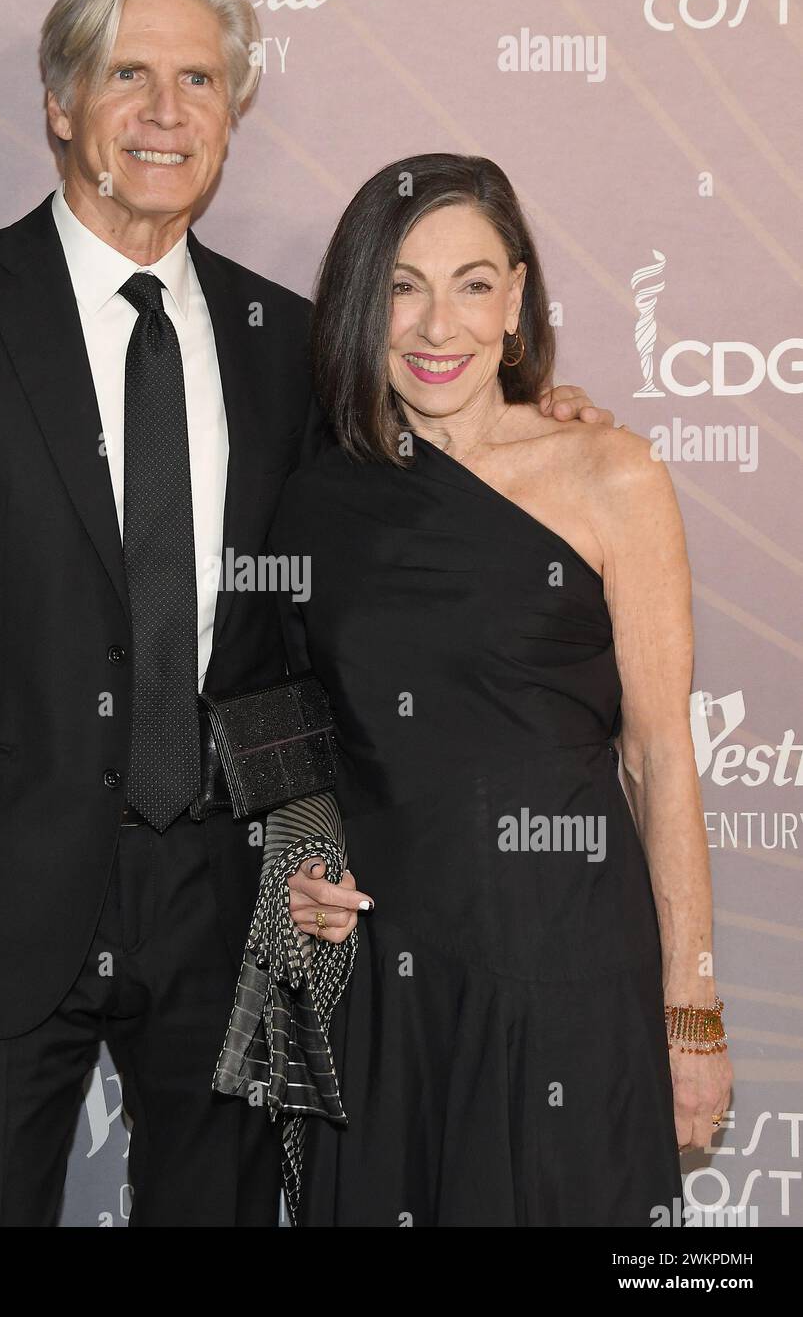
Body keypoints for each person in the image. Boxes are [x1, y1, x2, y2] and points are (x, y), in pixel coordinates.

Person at [0, 0, 607, 1228]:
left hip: (229, 910)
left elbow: (399, 502)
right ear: (61, 102)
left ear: (231, 113)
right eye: (129, 74)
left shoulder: (288, 342)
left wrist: (542, 420)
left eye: (199, 80)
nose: (165, 112)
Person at [272, 153, 732, 1226]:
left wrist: (690, 1014)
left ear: (516, 299)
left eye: (472, 284)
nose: (438, 326)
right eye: (402, 286)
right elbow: (290, 731)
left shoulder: (609, 474)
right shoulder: (313, 498)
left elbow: (658, 754)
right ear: (359, 301)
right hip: (383, 975)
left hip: (567, 961)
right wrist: (298, 862)